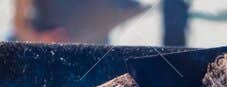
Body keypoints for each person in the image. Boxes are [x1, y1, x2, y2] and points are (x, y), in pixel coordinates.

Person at [11, 0, 146, 43]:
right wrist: (39, 39)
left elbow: (130, 8)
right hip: (46, 46)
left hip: (95, 45)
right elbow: (19, 25)